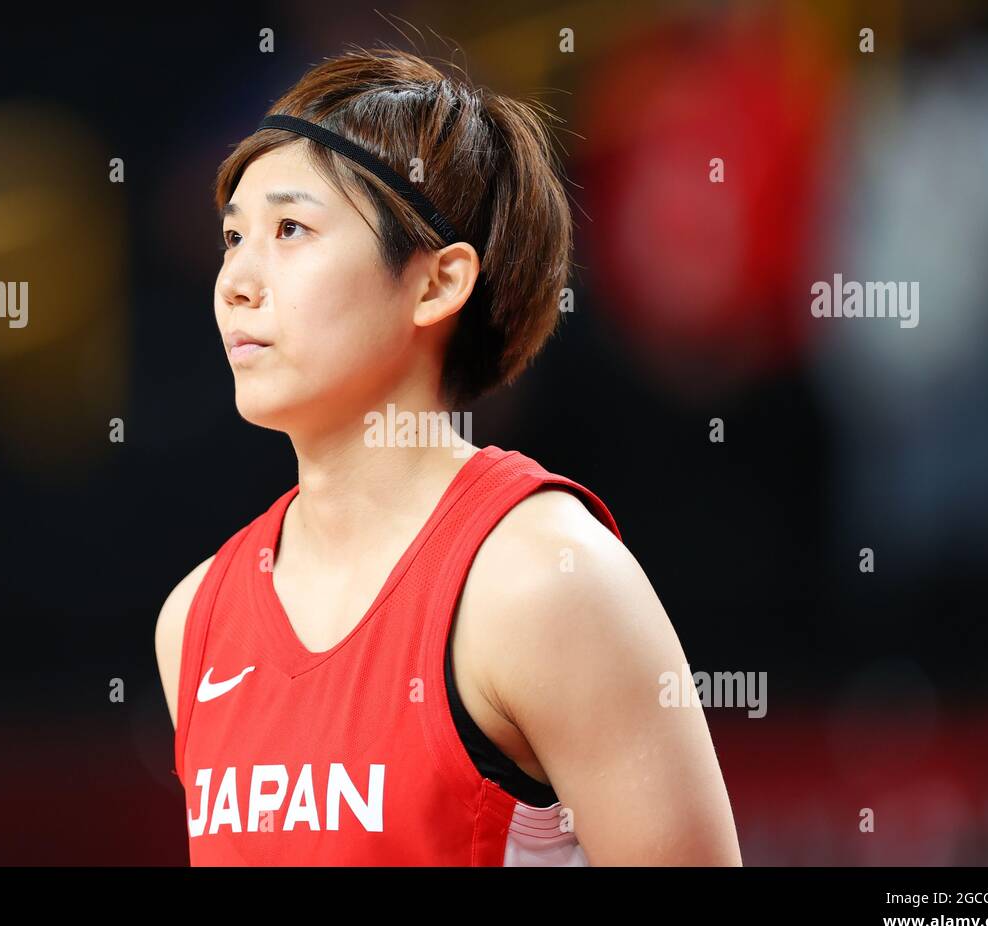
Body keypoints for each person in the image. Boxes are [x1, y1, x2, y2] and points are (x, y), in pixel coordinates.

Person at [155, 45, 741, 866]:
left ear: (436, 284)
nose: (237, 282)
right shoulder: (194, 621)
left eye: (290, 229)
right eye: (232, 237)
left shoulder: (546, 580)